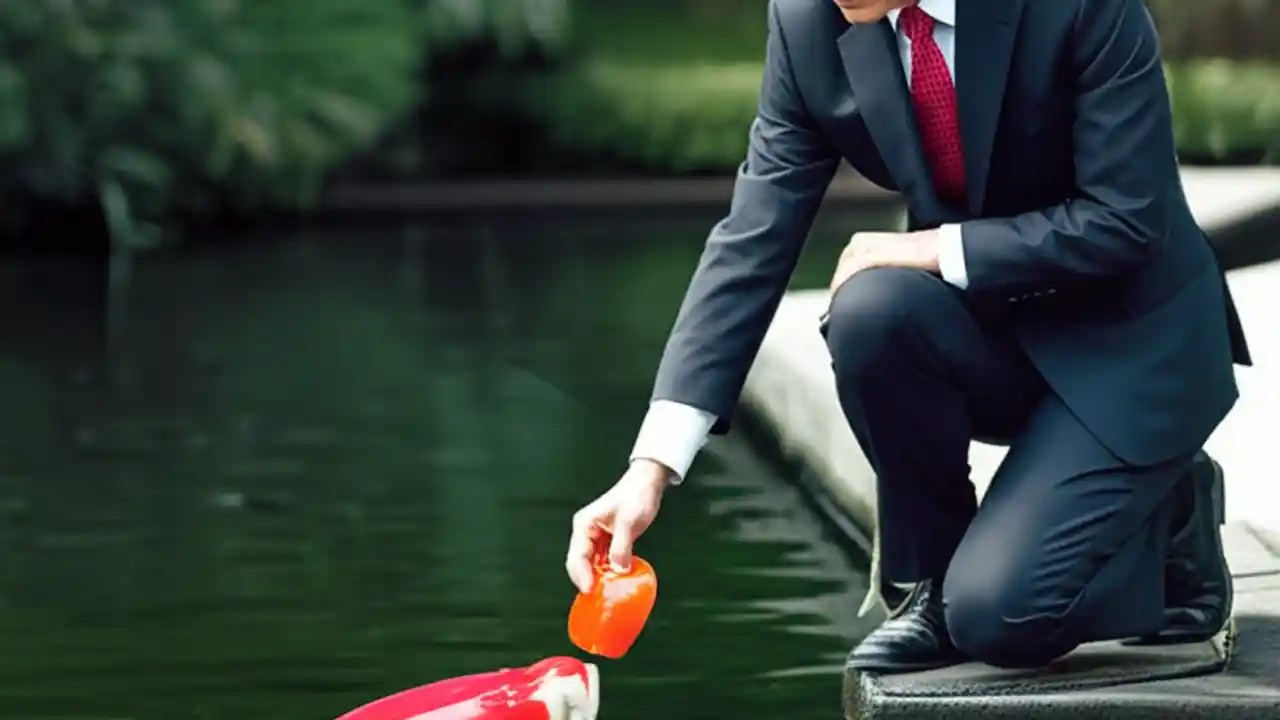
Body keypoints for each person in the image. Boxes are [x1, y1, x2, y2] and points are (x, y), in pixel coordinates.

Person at [564, 0, 1252, 673]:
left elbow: (1126, 220)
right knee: (871, 310)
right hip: (996, 329)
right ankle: (932, 575)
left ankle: (1172, 525)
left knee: (999, 619)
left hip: (1131, 342)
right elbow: (754, 234)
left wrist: (939, 248)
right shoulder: (808, 19)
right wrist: (650, 468)